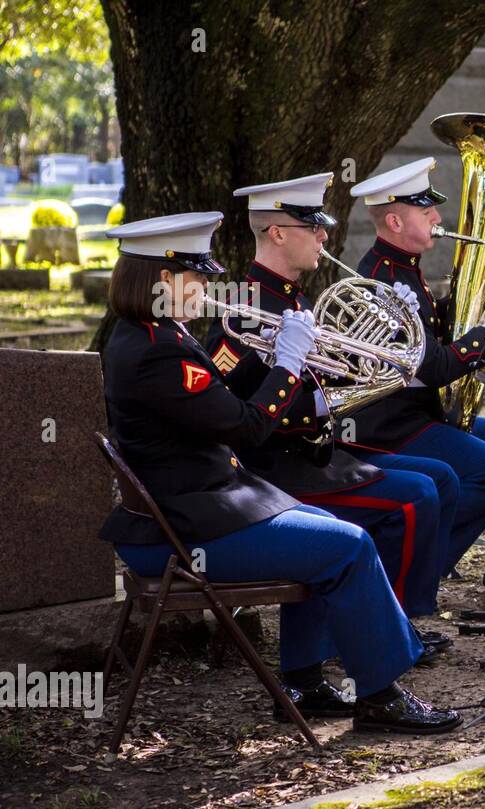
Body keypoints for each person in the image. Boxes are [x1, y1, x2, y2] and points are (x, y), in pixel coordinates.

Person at [99, 211, 460, 733]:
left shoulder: (154, 336)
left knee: (324, 535)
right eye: (196, 275)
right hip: (185, 530)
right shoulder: (157, 355)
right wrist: (289, 365)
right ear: (163, 281)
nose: (205, 284)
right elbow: (245, 428)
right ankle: (379, 695)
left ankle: (304, 682)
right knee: (349, 544)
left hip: (201, 509)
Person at [206, 172, 456, 651]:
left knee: (438, 480)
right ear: (277, 232)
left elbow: (332, 375)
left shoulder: (298, 296)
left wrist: (382, 344)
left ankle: (391, 619)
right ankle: (382, 633)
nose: (324, 235)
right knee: (415, 495)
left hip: (320, 455)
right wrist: (316, 389)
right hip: (280, 467)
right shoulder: (246, 307)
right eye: (312, 227)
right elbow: (236, 408)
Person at [343, 156, 485, 598]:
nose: (438, 218)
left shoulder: (404, 268)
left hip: (416, 415)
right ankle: (420, 560)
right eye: (426, 212)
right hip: (390, 427)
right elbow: (434, 368)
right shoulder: (378, 280)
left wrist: (484, 304)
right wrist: (483, 335)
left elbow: (430, 332)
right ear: (393, 219)